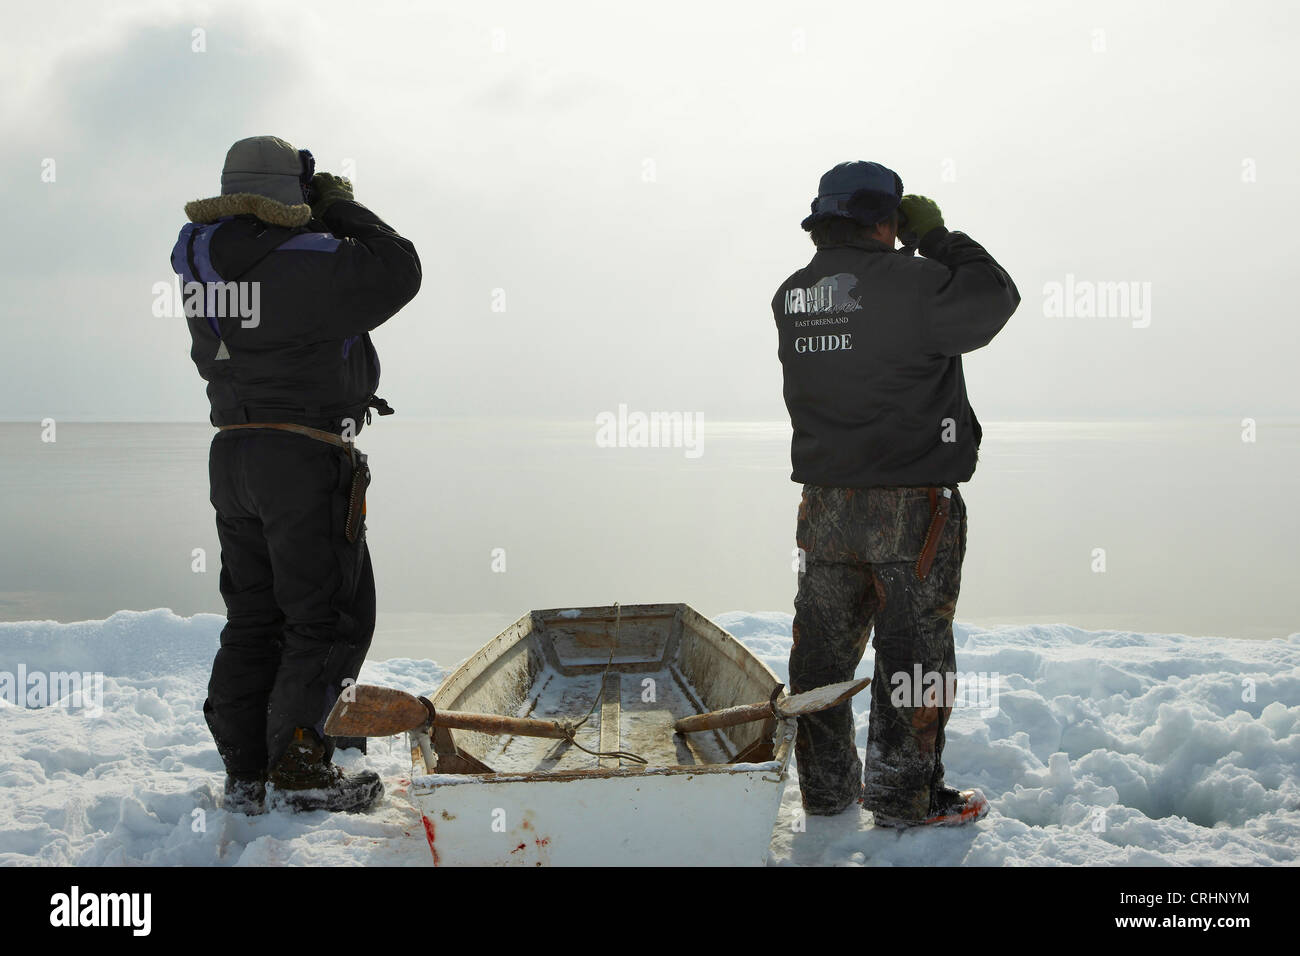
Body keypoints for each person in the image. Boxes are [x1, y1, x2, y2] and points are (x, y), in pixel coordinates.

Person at [171, 135, 421, 814]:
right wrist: (342, 206)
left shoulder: (203, 263)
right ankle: (300, 768)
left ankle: (248, 767)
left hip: (235, 451)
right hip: (304, 455)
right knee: (329, 618)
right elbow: (400, 269)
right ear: (294, 194)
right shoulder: (308, 259)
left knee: (255, 615)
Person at [772, 161, 1018, 827]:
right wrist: (938, 238)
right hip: (912, 509)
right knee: (914, 654)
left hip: (824, 507)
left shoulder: (793, 293)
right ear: (888, 221)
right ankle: (906, 800)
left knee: (821, 652)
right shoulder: (916, 283)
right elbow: (995, 299)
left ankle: (825, 793)